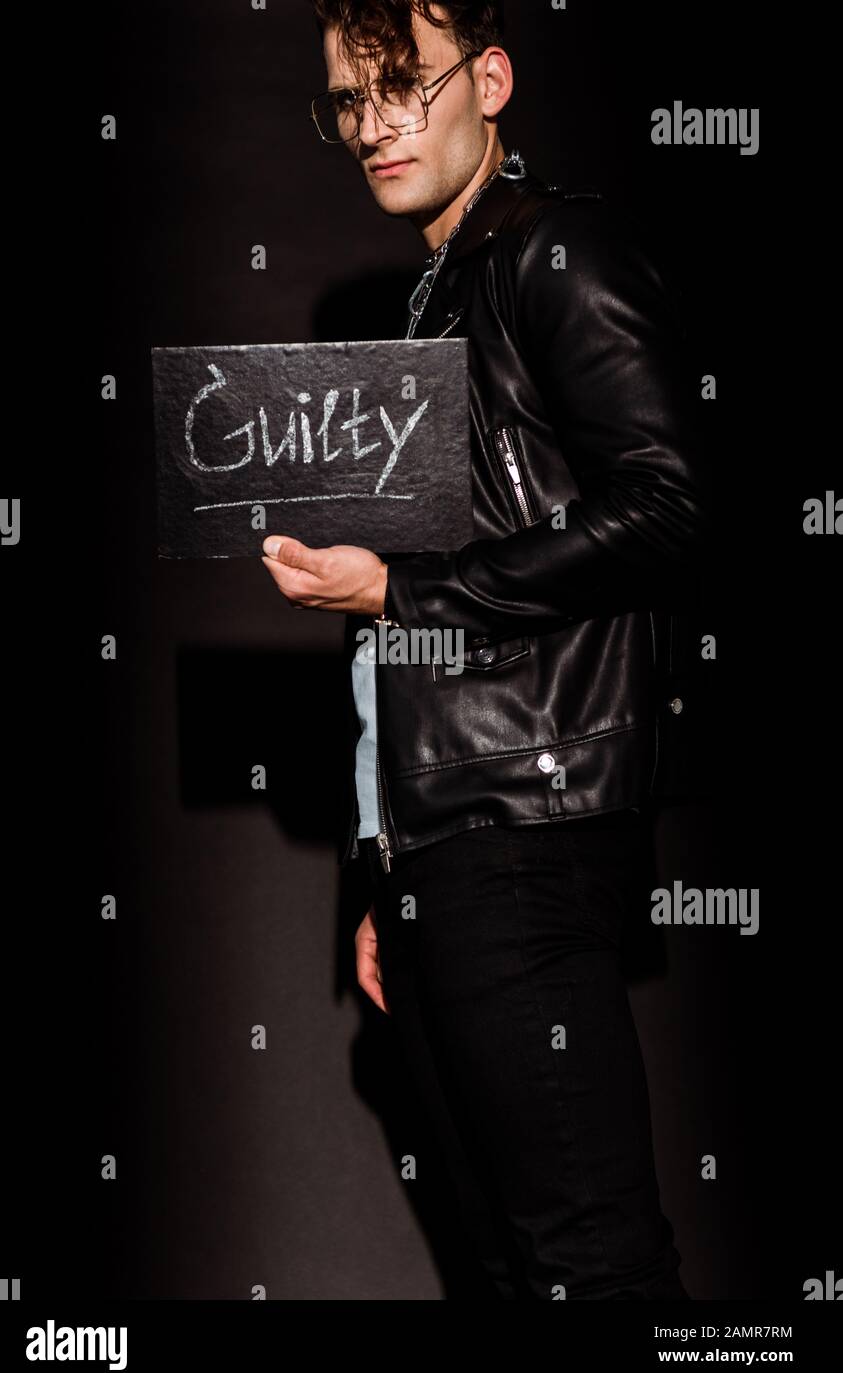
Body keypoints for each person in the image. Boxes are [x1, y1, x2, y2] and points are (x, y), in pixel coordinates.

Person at [260, 0, 708, 1299]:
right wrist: (378, 853)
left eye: (403, 85)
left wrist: (402, 587)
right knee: (517, 1270)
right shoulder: (430, 306)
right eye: (350, 99)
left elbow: (668, 503)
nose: (376, 126)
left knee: (592, 1262)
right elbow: (387, 652)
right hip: (446, 850)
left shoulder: (553, 249)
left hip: (526, 832)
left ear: (491, 80)